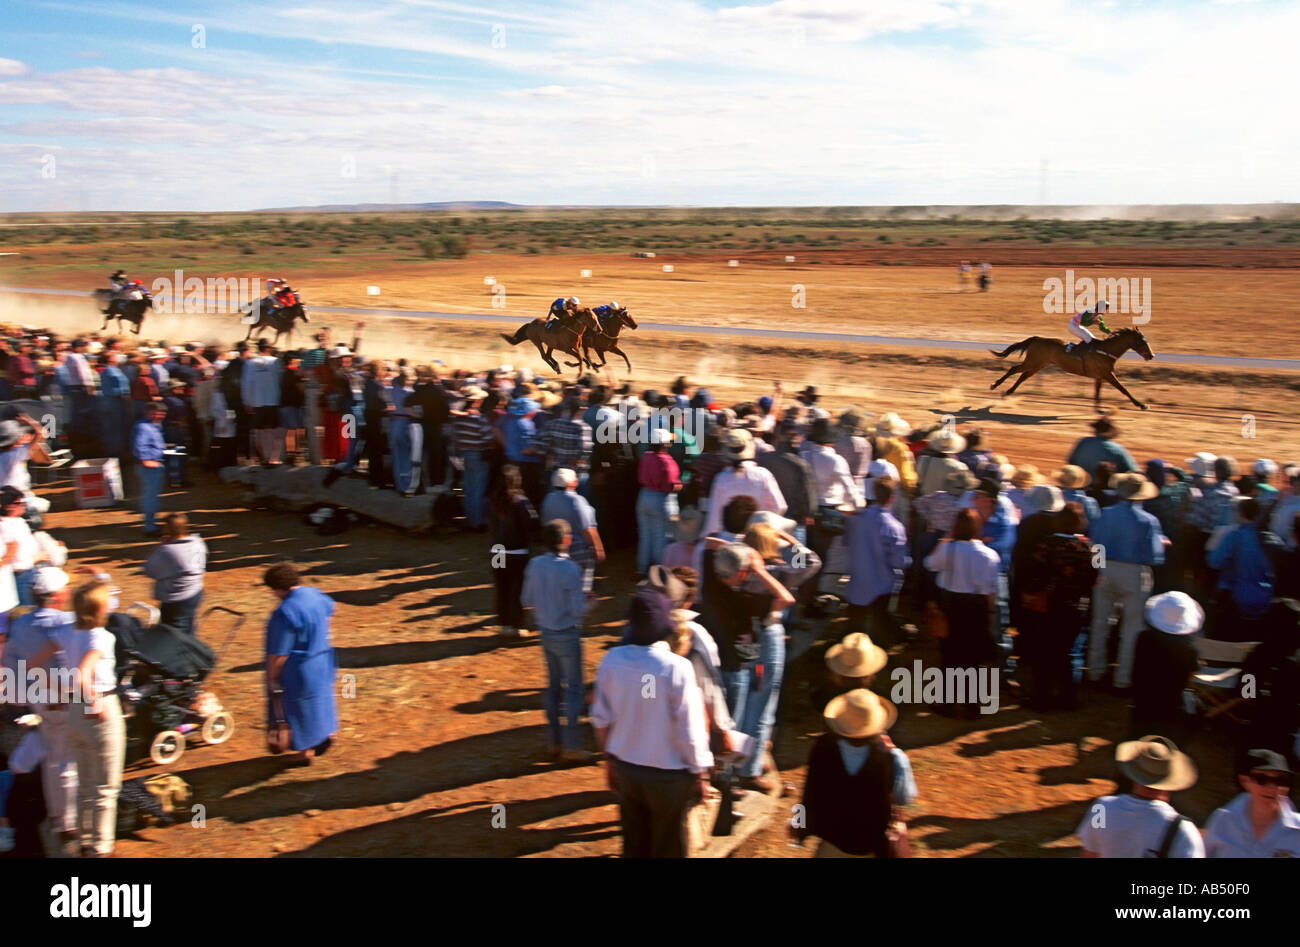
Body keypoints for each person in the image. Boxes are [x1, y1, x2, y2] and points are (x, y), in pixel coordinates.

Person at [591, 586, 713, 858]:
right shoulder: (676, 667)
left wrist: (609, 760)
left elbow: (600, 719)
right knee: (668, 847)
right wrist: (701, 772)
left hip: (627, 770)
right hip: (668, 777)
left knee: (635, 845)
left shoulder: (611, 660)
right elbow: (690, 731)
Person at [29, 580, 124, 858]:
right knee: (106, 784)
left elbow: (34, 665)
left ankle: (83, 840)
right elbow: (83, 675)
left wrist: (60, 690)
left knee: (84, 781)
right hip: (98, 704)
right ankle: (101, 847)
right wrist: (93, 701)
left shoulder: (66, 632)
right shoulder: (101, 636)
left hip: (72, 709)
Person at [1, 566, 76, 854]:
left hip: (38, 698)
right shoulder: (67, 622)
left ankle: (23, 762)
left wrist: (17, 701)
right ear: (58, 596)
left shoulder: (19, 626)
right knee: (64, 761)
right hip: (66, 700)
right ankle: (64, 821)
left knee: (47, 745)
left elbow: (11, 664)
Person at [791, 689, 915, 858]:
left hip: (834, 841)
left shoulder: (822, 748)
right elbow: (904, 797)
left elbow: (809, 794)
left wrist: (799, 825)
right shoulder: (891, 758)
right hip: (873, 846)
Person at [521, 520, 594, 763]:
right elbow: (577, 610)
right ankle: (571, 745)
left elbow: (526, 598)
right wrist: (591, 603)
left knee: (553, 686)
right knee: (573, 689)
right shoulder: (571, 569)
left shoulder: (535, 564)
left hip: (546, 634)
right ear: (565, 540)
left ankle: (554, 741)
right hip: (567, 633)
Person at [1087, 474, 1168, 691]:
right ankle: (1122, 679)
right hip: (1134, 572)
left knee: (1100, 622)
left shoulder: (1106, 514)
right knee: (1132, 627)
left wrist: (1097, 569)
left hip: (1105, 568)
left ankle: (1095, 672)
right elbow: (1153, 557)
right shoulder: (1148, 521)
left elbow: (1096, 545)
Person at [1020, 502, 1096, 711]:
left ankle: (1041, 698)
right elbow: (1098, 579)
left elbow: (1035, 572)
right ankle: (1069, 697)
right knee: (1071, 652)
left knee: (1044, 651)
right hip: (1078, 605)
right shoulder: (1095, 548)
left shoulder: (1046, 545)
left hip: (1050, 605)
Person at [924, 508, 1001, 716]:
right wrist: (990, 613)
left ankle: (948, 704)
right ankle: (972, 705)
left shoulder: (947, 549)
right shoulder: (989, 555)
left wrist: (945, 540)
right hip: (976, 606)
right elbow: (990, 590)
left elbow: (929, 564)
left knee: (950, 655)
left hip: (950, 604)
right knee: (973, 657)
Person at [1076, 735, 1204, 858]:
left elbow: (1090, 853)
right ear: (1172, 780)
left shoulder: (1102, 808)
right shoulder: (1182, 831)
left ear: (1133, 771)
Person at [262, 563, 338, 766]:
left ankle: (304, 753)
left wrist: (271, 678)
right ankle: (325, 735)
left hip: (299, 669)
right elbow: (332, 608)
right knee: (322, 700)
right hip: (323, 659)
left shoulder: (284, 613)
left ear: (277, 589)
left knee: (297, 708)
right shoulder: (315, 594)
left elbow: (278, 653)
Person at [843, 478, 910, 645]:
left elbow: (846, 542)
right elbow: (899, 561)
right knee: (879, 631)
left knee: (853, 635)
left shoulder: (855, 520)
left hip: (857, 585)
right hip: (881, 587)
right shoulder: (895, 527)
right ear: (893, 497)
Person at [1207, 497, 1283, 640]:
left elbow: (1214, 562)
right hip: (1266, 602)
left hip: (1235, 601)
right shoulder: (1274, 540)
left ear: (1240, 514)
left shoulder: (1235, 536)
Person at [1130, 592, 1202, 743]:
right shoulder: (1189, 648)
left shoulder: (1144, 639)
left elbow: (1137, 671)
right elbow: (1189, 676)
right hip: (1171, 705)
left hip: (1143, 700)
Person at [1203, 749, 1300, 857]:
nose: (1271, 787)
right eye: (1261, 779)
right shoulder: (1222, 820)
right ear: (1245, 781)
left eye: (1280, 781)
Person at [703, 428, 786, 538]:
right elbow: (779, 506)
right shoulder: (763, 474)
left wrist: (708, 538)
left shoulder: (721, 478)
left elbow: (714, 517)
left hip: (730, 537)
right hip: (759, 536)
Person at [489, 465, 538, 638]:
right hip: (518, 553)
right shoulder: (521, 501)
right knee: (517, 590)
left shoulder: (493, 500)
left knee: (502, 588)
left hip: (497, 551)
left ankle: (504, 624)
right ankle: (517, 625)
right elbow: (531, 525)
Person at [540, 467, 604, 594]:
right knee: (579, 591)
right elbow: (589, 529)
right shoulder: (578, 501)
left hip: (555, 549)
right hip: (578, 552)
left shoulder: (548, 499)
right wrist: (598, 549)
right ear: (572, 483)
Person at [143, 512, 207, 636]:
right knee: (189, 629)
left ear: (168, 529)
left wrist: (160, 545)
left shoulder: (167, 551)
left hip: (175, 598)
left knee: (175, 636)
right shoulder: (198, 542)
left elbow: (149, 569)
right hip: (194, 592)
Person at [635, 428, 681, 575]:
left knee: (645, 535)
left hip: (644, 496)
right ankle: (660, 572)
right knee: (661, 536)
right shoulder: (666, 461)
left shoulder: (646, 456)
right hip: (661, 499)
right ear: (664, 444)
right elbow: (672, 485)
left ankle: (643, 568)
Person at [132, 402, 167, 536]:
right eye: (157, 413)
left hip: (155, 463)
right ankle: (149, 527)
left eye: (162, 413)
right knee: (150, 497)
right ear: (149, 413)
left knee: (152, 496)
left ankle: (151, 523)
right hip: (148, 466)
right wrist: (146, 460)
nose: (160, 416)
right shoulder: (143, 427)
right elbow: (140, 445)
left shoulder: (154, 426)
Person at [1066, 417, 1136, 476]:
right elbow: (1132, 471)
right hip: (1106, 487)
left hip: (1082, 485)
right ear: (1110, 431)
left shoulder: (1083, 442)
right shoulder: (1117, 449)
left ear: (1096, 430)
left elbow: (1071, 462)